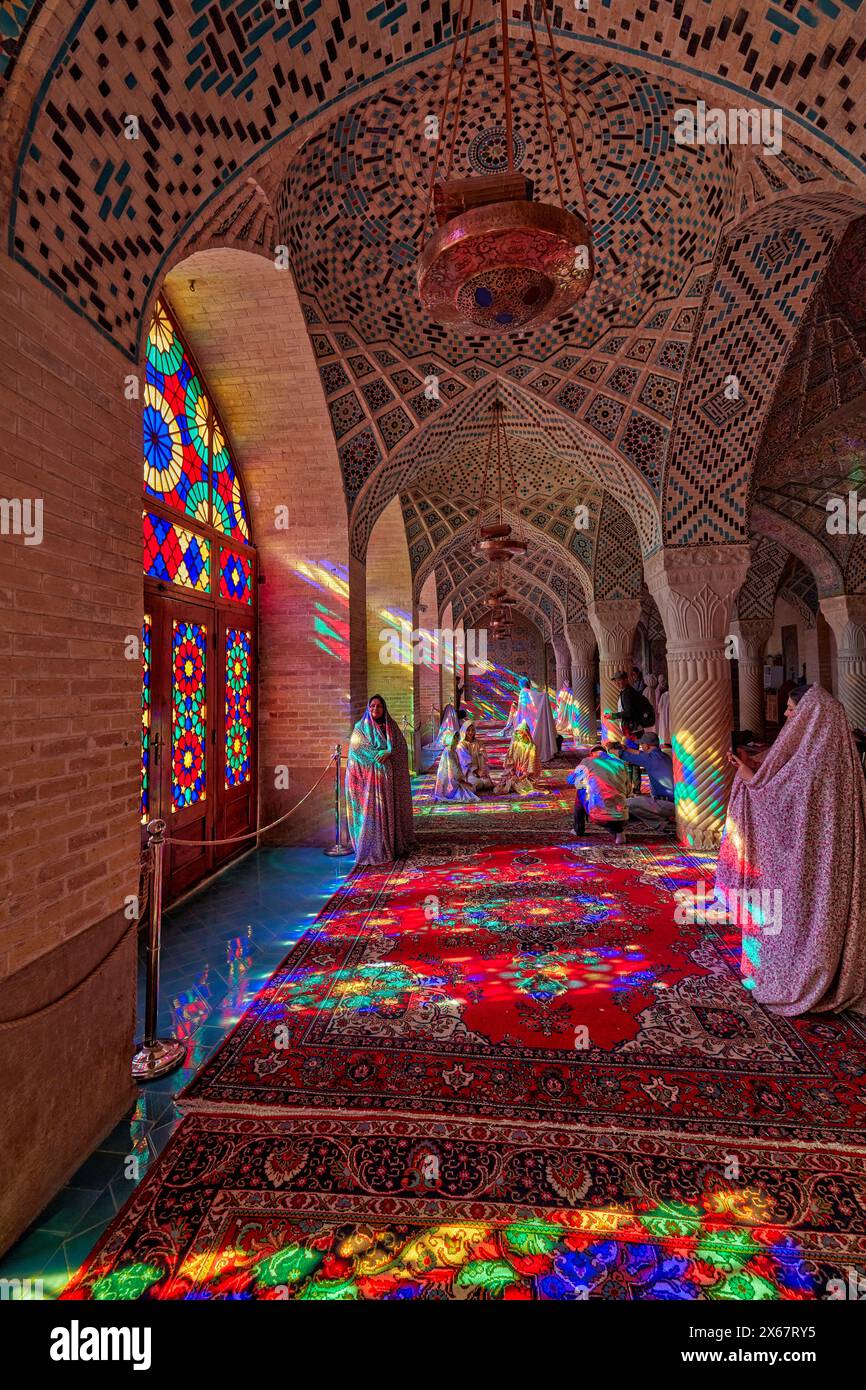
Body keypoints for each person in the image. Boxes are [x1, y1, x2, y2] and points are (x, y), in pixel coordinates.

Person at [715, 684, 866, 1016]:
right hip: (820, 858)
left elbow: (784, 803)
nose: (785, 715)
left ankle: (800, 975)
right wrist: (753, 767)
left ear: (811, 715)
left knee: (801, 915)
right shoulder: (830, 750)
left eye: (791, 709)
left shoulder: (818, 758)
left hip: (809, 861)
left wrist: (748, 777)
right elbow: (786, 787)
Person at [346, 694, 416, 865]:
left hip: (390, 782)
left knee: (389, 810)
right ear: (368, 708)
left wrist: (389, 753)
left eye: (378, 706)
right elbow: (357, 751)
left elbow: (400, 748)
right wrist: (379, 756)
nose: (375, 709)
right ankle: (375, 845)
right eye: (372, 706)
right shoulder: (360, 728)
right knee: (375, 813)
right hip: (372, 783)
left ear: (384, 709)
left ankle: (393, 843)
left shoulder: (391, 726)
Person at [569, 743, 631, 844]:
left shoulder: (587, 761)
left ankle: (578, 829)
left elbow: (571, 780)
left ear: (591, 754)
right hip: (622, 816)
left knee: (580, 790)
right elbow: (628, 791)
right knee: (614, 797)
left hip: (599, 815)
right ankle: (619, 832)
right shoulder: (620, 763)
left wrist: (584, 780)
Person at [620, 731, 676, 828]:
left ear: (647, 746)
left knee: (626, 803)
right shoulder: (663, 756)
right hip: (675, 803)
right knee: (637, 803)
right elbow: (640, 753)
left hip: (666, 804)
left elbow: (623, 755)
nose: (641, 746)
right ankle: (663, 823)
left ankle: (661, 822)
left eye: (642, 744)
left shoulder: (650, 758)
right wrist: (627, 749)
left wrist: (613, 749)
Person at [516, 676, 557, 762]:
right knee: (533, 734)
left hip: (526, 718)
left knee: (530, 734)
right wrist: (544, 695)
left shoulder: (522, 692)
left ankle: (528, 753)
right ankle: (533, 752)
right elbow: (537, 697)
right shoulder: (525, 692)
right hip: (529, 718)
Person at [432, 729, 479, 802]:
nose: (457, 740)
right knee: (471, 791)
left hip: (456, 780)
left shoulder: (453, 751)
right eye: (455, 738)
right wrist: (462, 781)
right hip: (451, 783)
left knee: (473, 788)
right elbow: (453, 770)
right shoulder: (448, 752)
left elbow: (458, 767)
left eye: (457, 738)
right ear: (450, 739)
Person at [495, 722, 540, 796]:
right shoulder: (515, 744)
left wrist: (520, 778)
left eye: (521, 733)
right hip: (513, 772)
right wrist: (513, 774)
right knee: (500, 787)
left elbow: (532, 767)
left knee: (518, 785)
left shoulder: (532, 747)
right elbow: (509, 759)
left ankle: (514, 785)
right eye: (517, 733)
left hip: (526, 776)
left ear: (526, 733)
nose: (519, 736)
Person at [456, 720, 494, 792]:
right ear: (464, 731)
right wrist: (476, 771)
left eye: (473, 730)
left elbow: (483, 758)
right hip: (468, 771)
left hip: (480, 770)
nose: (471, 732)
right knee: (477, 784)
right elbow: (465, 762)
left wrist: (482, 771)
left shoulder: (479, 743)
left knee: (487, 783)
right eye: (468, 730)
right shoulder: (461, 745)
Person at [613, 670, 653, 737]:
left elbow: (629, 712)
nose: (617, 683)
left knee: (631, 746)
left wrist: (613, 715)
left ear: (626, 680)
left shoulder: (627, 693)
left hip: (632, 728)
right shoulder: (626, 691)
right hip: (633, 727)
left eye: (619, 680)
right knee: (631, 746)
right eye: (615, 681)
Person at [656, 674, 670, 746]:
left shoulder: (664, 695)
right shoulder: (665, 694)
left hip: (663, 713)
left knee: (664, 726)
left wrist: (658, 711)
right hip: (668, 713)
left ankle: (665, 740)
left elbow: (659, 705)